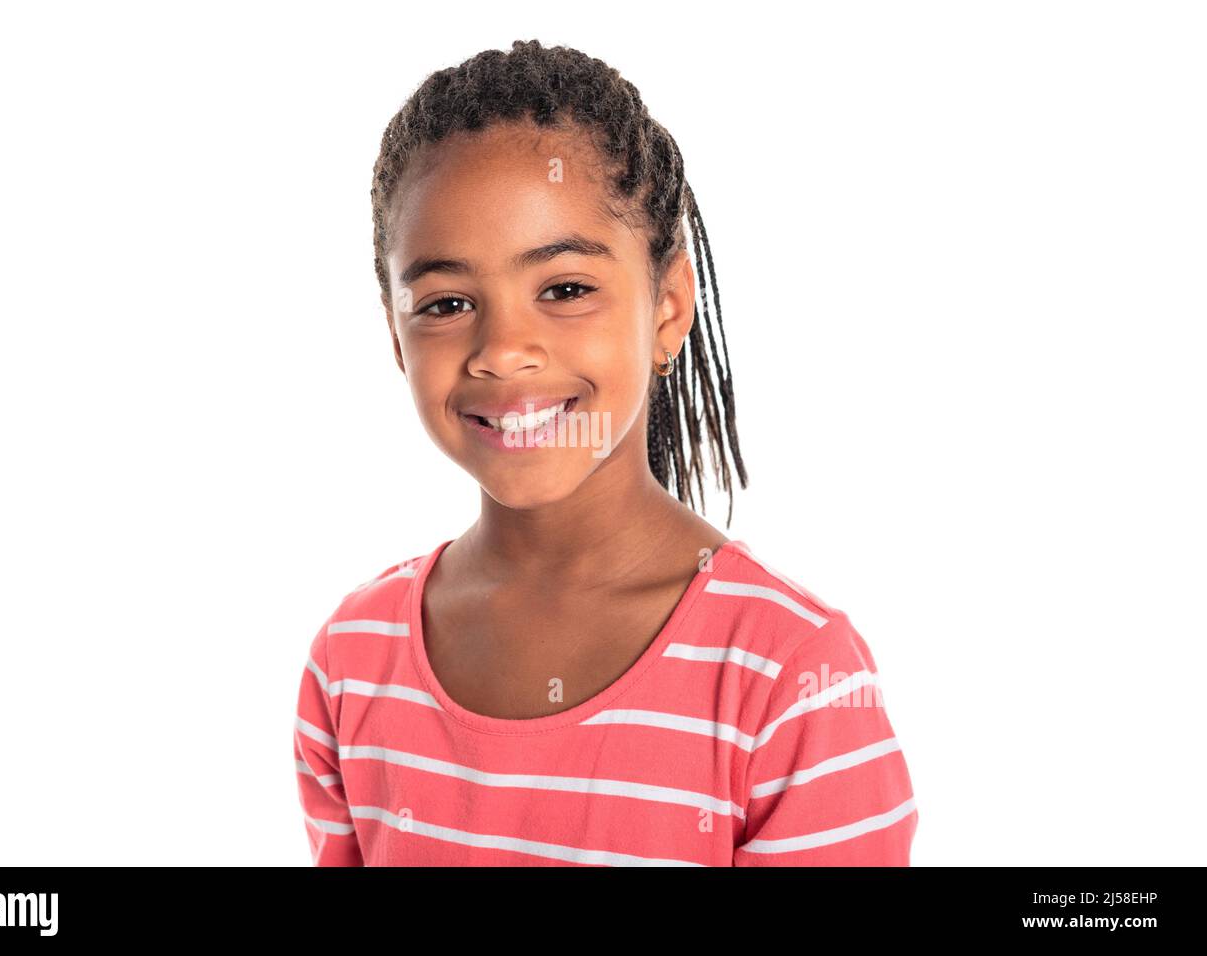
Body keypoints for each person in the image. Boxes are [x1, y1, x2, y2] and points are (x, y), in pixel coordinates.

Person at [293, 39, 918, 866]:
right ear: (396, 339)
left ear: (666, 308)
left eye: (564, 289)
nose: (503, 350)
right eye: (447, 302)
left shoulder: (790, 675)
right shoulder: (352, 659)